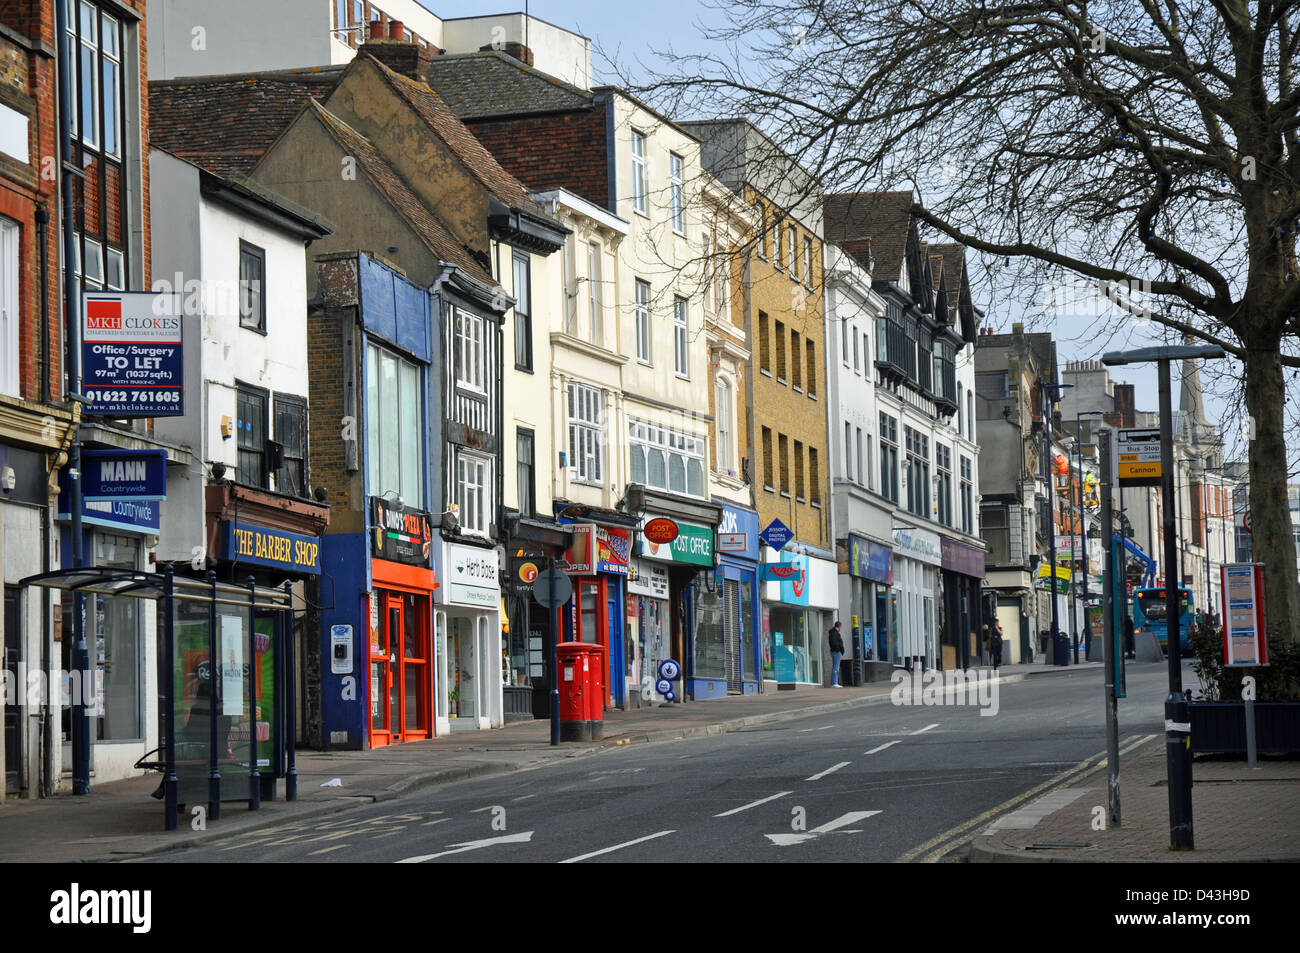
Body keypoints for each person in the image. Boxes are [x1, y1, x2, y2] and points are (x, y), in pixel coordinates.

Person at [828, 621, 845, 687]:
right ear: (838, 627)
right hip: (836, 652)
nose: (840, 628)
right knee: (836, 668)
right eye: (840, 627)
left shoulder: (833, 633)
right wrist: (839, 650)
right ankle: (834, 683)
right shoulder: (834, 633)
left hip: (836, 652)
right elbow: (834, 643)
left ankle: (834, 683)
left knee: (835, 667)